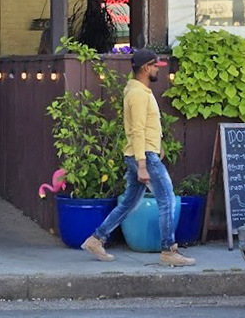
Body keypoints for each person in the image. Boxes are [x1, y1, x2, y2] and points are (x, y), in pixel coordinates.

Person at [81, 48, 195, 267]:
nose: (157, 70)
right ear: (145, 68)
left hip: (141, 154)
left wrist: (156, 145)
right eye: (155, 66)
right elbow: (137, 129)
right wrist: (143, 164)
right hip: (144, 157)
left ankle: (96, 239)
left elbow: (146, 127)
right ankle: (168, 249)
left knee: (129, 203)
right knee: (167, 200)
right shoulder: (138, 94)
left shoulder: (139, 91)